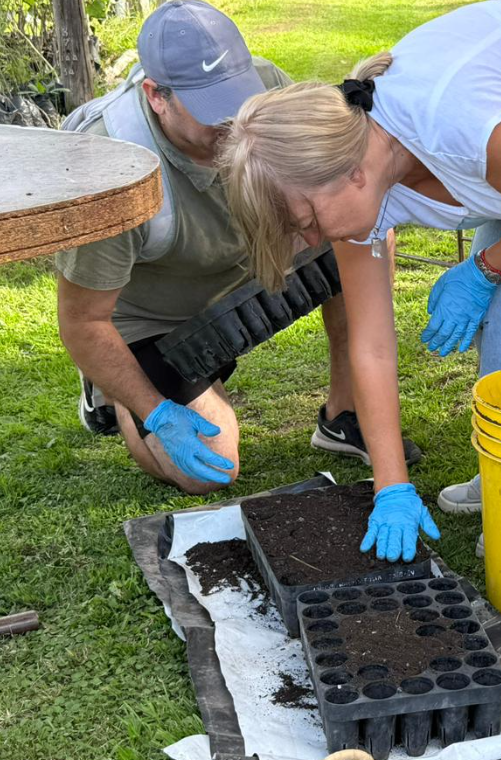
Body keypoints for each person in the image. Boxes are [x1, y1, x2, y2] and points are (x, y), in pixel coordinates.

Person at [218, 0, 501, 560]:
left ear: (352, 173)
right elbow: (371, 347)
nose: (312, 239)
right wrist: (391, 486)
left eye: (307, 223)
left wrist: (484, 269)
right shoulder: (346, 188)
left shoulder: (453, 119)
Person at [55, 0, 420, 496]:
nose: (233, 121)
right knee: (210, 469)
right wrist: (157, 411)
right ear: (156, 96)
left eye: (236, 95)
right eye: (210, 109)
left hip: (252, 270)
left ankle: (345, 412)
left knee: (360, 230)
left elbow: (341, 183)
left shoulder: (268, 92)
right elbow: (83, 322)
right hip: (157, 323)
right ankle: (117, 396)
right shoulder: (109, 169)